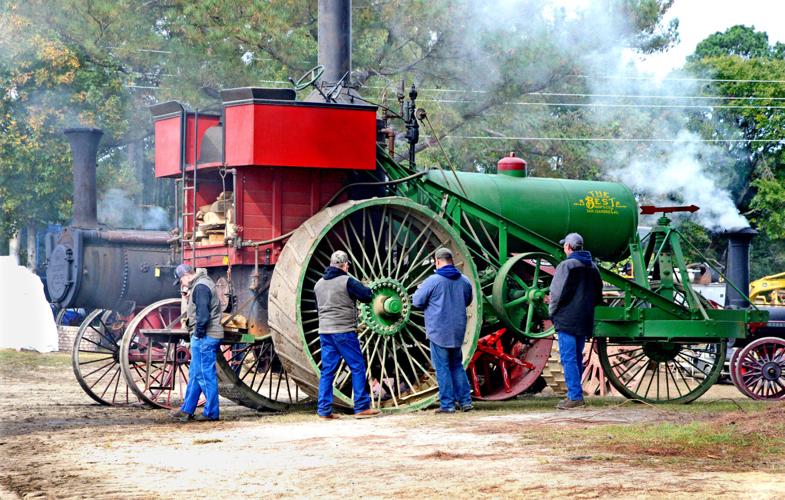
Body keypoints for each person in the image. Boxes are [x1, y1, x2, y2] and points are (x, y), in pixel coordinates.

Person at [314, 250, 381, 419]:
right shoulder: (347, 281)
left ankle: (324, 410)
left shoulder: (318, 284)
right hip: (343, 331)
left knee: (327, 371)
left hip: (325, 332)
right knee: (357, 366)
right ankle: (361, 407)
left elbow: (318, 308)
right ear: (345, 265)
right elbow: (367, 296)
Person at [412, 247, 474, 414]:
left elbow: (417, 301)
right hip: (457, 329)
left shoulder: (433, 280)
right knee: (457, 366)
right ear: (451, 260)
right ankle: (465, 401)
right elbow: (468, 300)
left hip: (438, 330)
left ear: (437, 262)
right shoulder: (464, 281)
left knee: (443, 368)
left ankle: (447, 404)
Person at [548, 233, 603, 410]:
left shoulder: (566, 266)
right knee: (577, 357)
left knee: (568, 358)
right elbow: (598, 292)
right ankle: (575, 393)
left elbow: (555, 294)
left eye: (565, 246)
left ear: (569, 247)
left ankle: (574, 396)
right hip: (585, 318)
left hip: (566, 318)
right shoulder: (593, 267)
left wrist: (552, 312)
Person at [169, 264, 224, 422]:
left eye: (181, 281)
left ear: (186, 275)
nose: (182, 285)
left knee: (205, 375)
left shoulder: (200, 287)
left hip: (205, 336)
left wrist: (198, 334)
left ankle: (211, 413)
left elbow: (203, 316)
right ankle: (187, 409)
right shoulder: (201, 285)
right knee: (195, 374)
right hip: (204, 336)